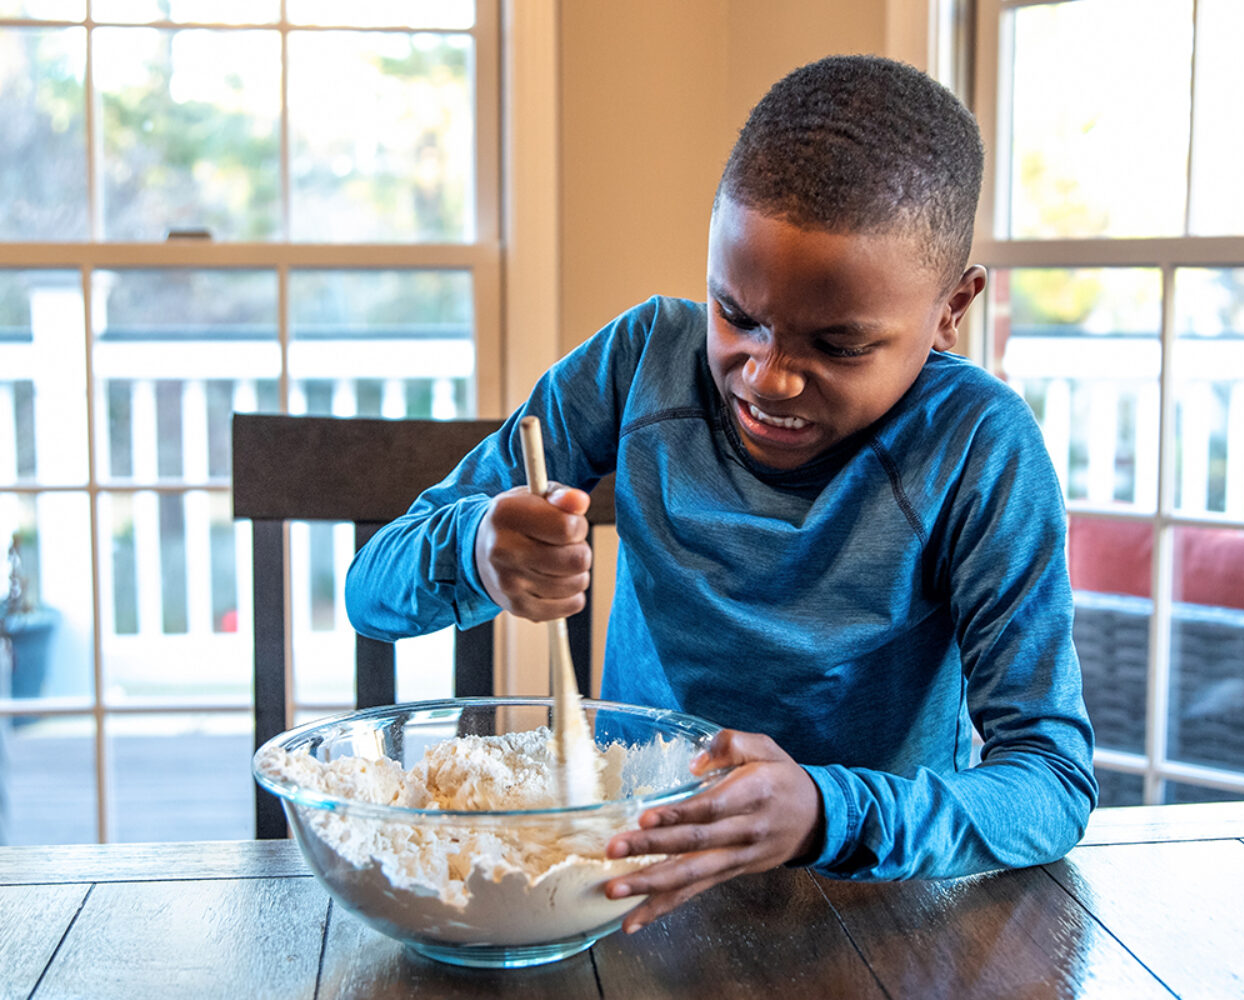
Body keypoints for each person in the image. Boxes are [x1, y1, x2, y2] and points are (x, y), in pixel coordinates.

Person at [346, 54, 1095, 934]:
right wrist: (475, 548)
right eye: (737, 315)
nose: (768, 379)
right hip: (626, 898)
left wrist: (826, 810)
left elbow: (1050, 779)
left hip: (871, 912)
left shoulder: (978, 448)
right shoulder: (637, 364)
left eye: (840, 345)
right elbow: (371, 594)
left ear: (950, 309)